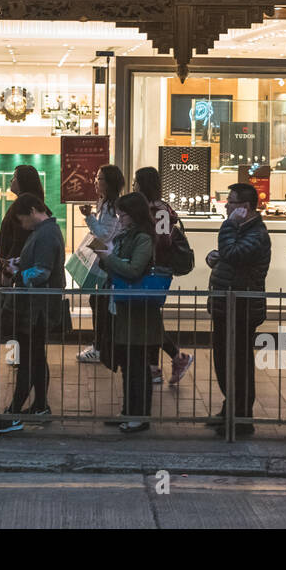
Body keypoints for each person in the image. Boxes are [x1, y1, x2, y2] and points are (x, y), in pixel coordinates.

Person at [204, 183, 271, 437]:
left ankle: (242, 415)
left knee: (238, 362)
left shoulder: (256, 234)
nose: (227, 206)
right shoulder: (243, 230)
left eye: (231, 202)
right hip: (225, 303)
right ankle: (230, 406)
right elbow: (228, 254)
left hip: (242, 307)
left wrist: (229, 225)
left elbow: (232, 253)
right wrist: (216, 256)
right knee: (223, 360)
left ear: (244, 207)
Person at [0, 193, 64, 433]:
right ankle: (40, 406)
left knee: (27, 359)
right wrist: (20, 265)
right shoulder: (44, 232)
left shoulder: (46, 235)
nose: (22, 225)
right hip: (38, 307)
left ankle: (14, 412)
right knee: (35, 358)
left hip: (37, 309)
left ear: (34, 210)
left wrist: (17, 274)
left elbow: (42, 272)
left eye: (23, 219)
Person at [96, 191, 162, 433]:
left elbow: (134, 269)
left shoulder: (143, 238)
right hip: (122, 306)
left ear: (133, 214)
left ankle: (140, 415)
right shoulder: (125, 235)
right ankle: (127, 409)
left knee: (137, 365)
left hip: (138, 309)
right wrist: (106, 257)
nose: (119, 217)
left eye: (123, 213)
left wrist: (108, 258)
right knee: (127, 363)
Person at [134, 167, 192, 385]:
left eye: (136, 182)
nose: (134, 186)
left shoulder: (157, 209)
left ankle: (172, 359)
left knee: (149, 316)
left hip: (155, 269)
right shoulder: (156, 207)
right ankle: (157, 365)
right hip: (153, 268)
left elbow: (162, 239)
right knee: (149, 316)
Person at [0, 165, 45, 354]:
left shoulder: (26, 206)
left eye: (14, 177)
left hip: (15, 270)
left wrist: (9, 269)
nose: (11, 181)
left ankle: (16, 358)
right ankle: (15, 357)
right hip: (13, 267)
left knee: (15, 318)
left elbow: (19, 242)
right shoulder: (24, 203)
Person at [76, 164, 125, 366]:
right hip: (104, 259)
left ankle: (101, 347)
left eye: (100, 178)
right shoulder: (105, 203)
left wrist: (88, 217)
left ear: (110, 183)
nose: (96, 181)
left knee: (101, 304)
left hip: (108, 261)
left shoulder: (113, 207)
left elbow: (105, 235)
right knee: (97, 302)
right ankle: (100, 345)